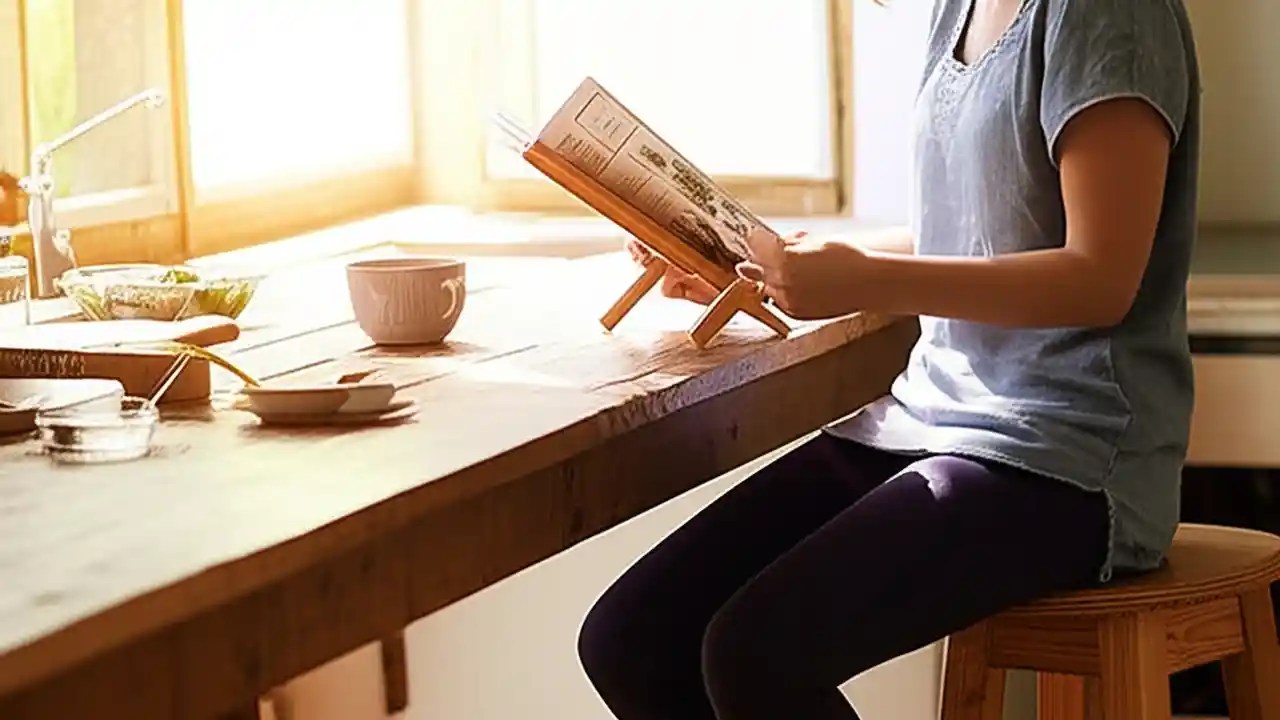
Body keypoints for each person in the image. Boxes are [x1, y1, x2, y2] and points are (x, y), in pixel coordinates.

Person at [577, 0, 1202, 718]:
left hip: (1070, 457)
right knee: (633, 638)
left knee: (758, 652)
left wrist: (865, 279)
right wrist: (761, 264)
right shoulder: (957, 8)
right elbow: (973, 233)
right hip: (930, 422)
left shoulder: (1106, 12)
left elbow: (1100, 279)